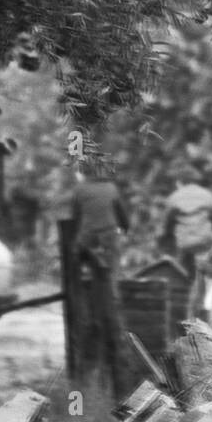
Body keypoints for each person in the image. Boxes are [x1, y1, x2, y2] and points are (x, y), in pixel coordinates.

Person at [69, 161, 130, 398]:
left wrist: (75, 243)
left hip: (87, 240)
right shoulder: (111, 189)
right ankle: (109, 293)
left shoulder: (80, 190)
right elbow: (123, 219)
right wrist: (124, 228)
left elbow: (75, 219)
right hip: (107, 239)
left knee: (86, 274)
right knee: (109, 278)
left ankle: (86, 283)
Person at [162, 163, 212, 322]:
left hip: (184, 244)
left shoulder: (174, 197)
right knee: (203, 272)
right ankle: (202, 306)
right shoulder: (208, 195)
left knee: (182, 275)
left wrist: (166, 240)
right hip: (204, 243)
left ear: (180, 181)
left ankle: (183, 311)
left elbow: (166, 225)